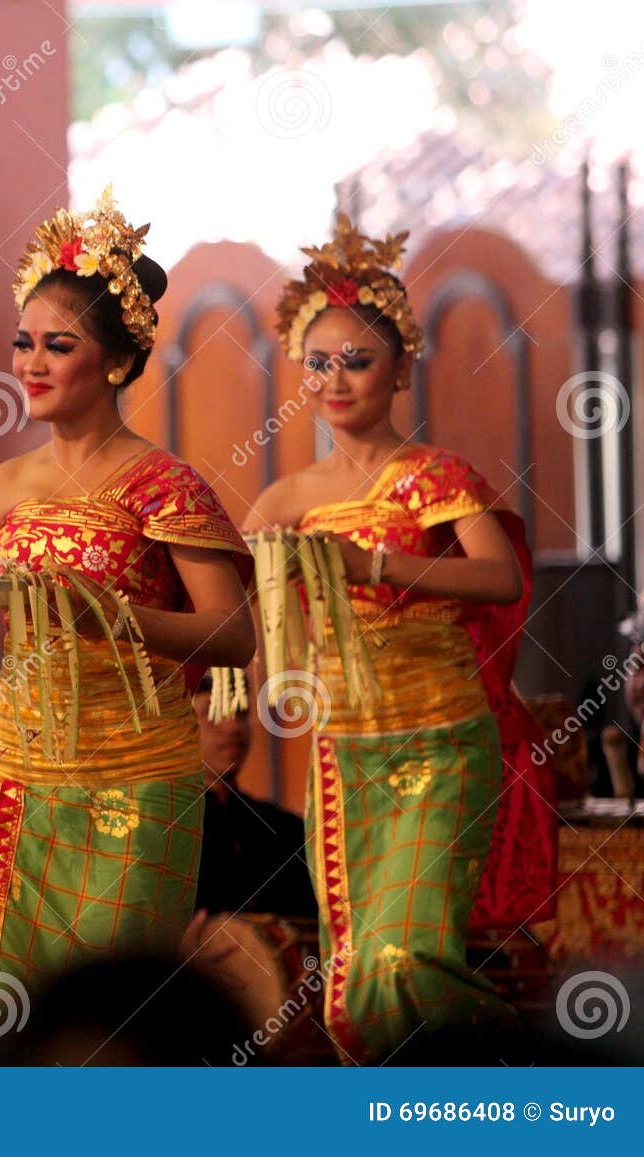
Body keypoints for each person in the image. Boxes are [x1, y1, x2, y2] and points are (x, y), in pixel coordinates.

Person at [0, 188, 255, 1011]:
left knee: (105, 1023)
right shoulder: (5, 486)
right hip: (18, 775)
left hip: (136, 782)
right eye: (24, 343)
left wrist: (109, 615)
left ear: (115, 362)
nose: (31, 363)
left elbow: (232, 634)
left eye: (59, 345)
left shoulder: (163, 483)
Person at [245, 214, 540, 1063]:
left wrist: (373, 565)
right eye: (318, 363)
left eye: (357, 360)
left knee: (403, 958)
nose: (335, 380)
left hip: (442, 740)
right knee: (352, 987)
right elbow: (237, 614)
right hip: (344, 753)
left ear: (401, 367)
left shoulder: (434, 476)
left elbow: (501, 576)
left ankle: (526, 1081)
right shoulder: (285, 499)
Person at [192, 673, 317, 918]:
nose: (232, 727)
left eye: (240, 712)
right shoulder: (163, 826)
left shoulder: (287, 830)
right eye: (212, 712)